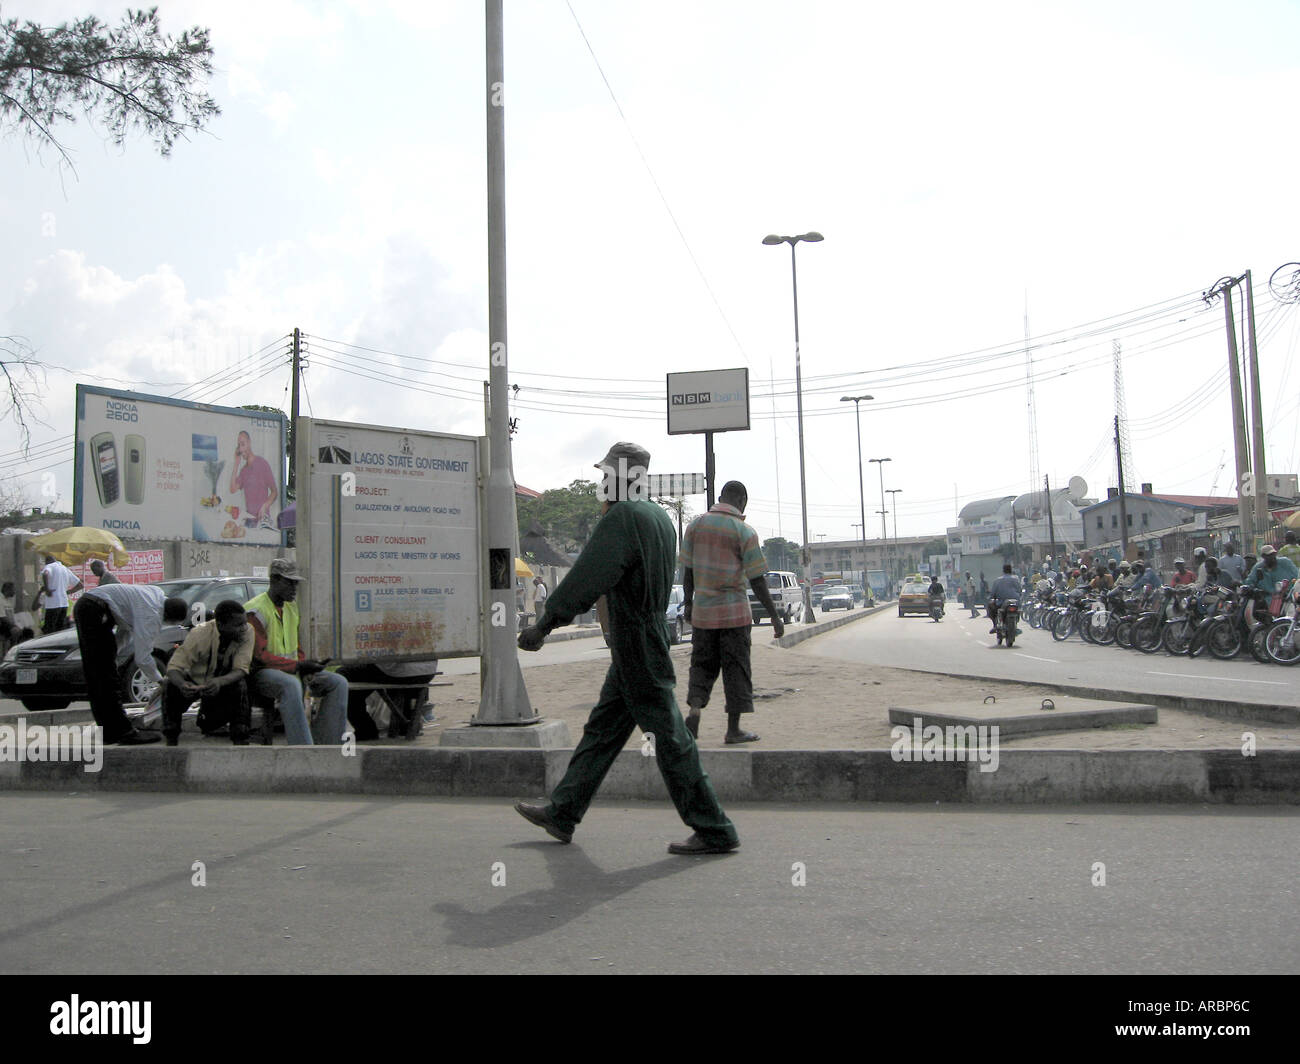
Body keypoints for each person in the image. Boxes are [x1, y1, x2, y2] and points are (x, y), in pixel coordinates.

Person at [514, 442, 739, 856]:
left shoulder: (623, 518)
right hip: (644, 636)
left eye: (607, 475)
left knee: (671, 739)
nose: (602, 483)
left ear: (625, 477)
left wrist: (544, 625)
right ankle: (563, 811)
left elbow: (587, 577)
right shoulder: (658, 517)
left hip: (636, 640)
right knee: (603, 730)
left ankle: (714, 826)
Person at [679, 480, 783, 745]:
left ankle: (694, 713)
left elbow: (687, 571)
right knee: (736, 670)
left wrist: (689, 603)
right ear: (741, 501)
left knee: (701, 665)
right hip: (734, 616)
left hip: (703, 615)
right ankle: (733, 730)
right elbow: (757, 579)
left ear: (721, 497)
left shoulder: (695, 526)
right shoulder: (744, 531)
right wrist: (773, 615)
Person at [244, 559, 349, 745]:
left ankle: (328, 744)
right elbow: (259, 656)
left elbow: (296, 645)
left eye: (296, 583)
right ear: (274, 580)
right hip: (261, 673)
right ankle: (303, 749)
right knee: (290, 685)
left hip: (291, 668)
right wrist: (298, 666)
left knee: (338, 682)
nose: (294, 588)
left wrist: (304, 667)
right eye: (289, 582)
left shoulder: (291, 608)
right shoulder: (256, 610)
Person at [73, 583, 188, 745]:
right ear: (168, 618)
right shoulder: (152, 615)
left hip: (89, 605)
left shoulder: (155, 595)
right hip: (95, 610)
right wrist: (161, 680)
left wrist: (112, 655)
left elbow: (125, 629)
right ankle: (122, 732)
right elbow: (143, 658)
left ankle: (109, 732)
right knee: (104, 678)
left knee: (100, 674)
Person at [161, 599, 254, 746]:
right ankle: (171, 740)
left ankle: (241, 739)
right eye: (238, 625)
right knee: (169, 685)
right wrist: (182, 684)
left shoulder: (248, 632)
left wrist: (219, 682)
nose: (244, 628)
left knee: (240, 686)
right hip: (195, 681)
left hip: (223, 683)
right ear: (220, 625)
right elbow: (173, 668)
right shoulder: (199, 634)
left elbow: (241, 669)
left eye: (244, 623)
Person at [229, 430, 279, 530]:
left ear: (249, 443)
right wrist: (236, 463)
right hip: (249, 521)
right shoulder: (244, 470)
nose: (241, 449)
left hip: (262, 522)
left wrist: (265, 506)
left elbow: (274, 492)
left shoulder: (262, 463)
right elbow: (233, 489)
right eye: (239, 446)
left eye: (243, 444)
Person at [1243, 544, 1300, 629]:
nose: (1271, 557)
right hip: (1268, 601)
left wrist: (1290, 588)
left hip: (1287, 598)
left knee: (1291, 618)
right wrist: (1247, 586)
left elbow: (1297, 575)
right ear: (1263, 556)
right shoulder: (1258, 567)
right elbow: (1250, 581)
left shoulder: (1285, 562)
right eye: (1268, 555)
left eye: (1272, 554)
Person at [35, 554, 83, 634]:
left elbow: (45, 574)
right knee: (59, 630)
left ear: (47, 562)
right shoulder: (64, 568)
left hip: (53, 604)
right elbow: (80, 585)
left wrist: (47, 590)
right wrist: (67, 592)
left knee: (50, 631)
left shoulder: (49, 566)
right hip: (64, 604)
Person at [987, 563, 1022, 635]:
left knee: (991, 607)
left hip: (1002, 602)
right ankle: (1015, 624)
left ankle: (995, 625)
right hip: (1015, 602)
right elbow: (1020, 590)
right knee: (1018, 611)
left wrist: (992, 597)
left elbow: (993, 593)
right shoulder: (1016, 579)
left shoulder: (998, 580)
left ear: (1003, 571)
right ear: (1011, 570)